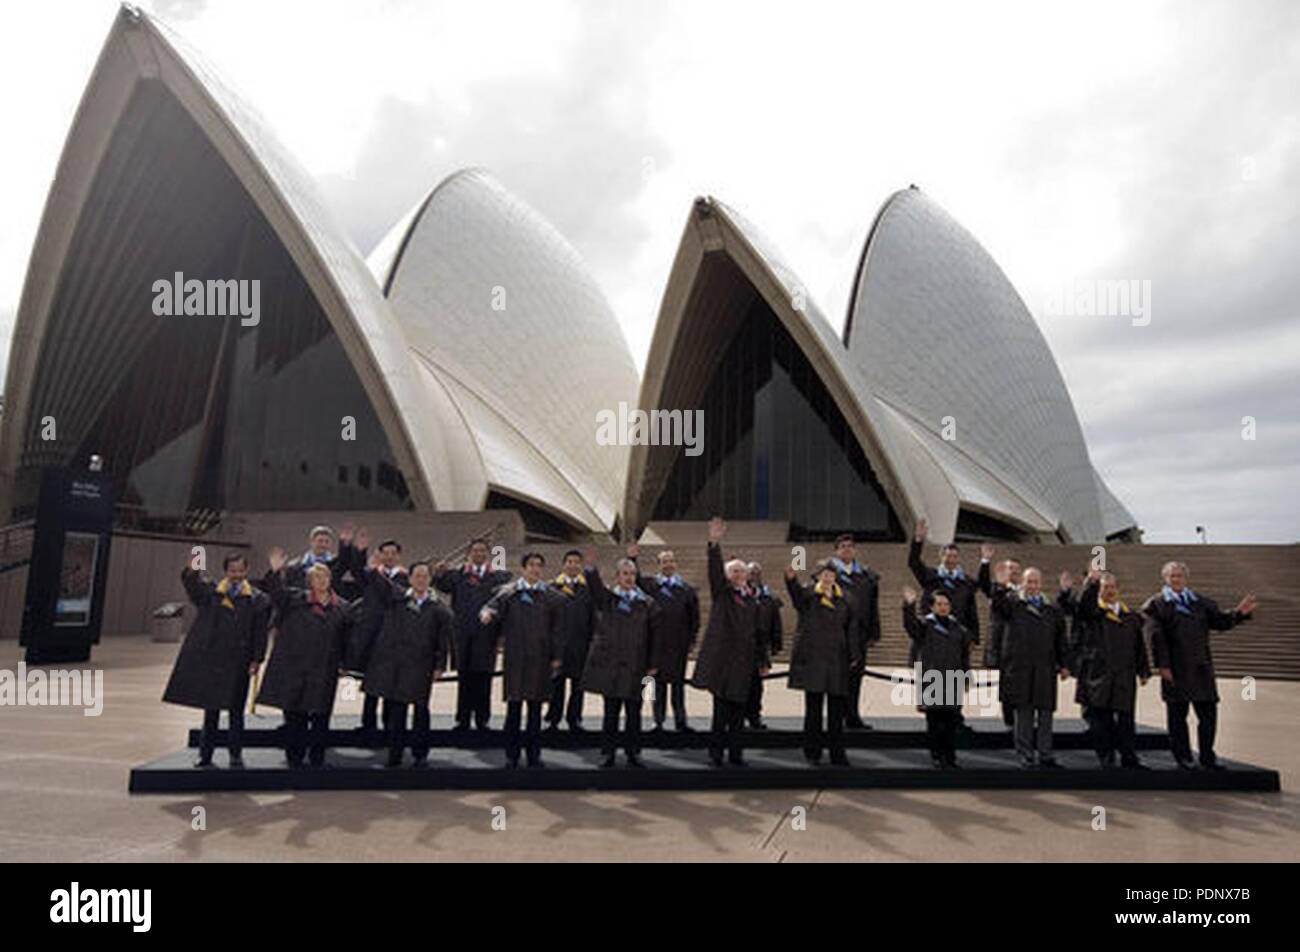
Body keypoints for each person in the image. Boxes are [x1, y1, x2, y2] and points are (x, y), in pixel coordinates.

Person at [1142, 561, 1256, 770]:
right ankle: (1183, 757)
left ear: (1186, 578)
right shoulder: (1156, 605)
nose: (1176, 579)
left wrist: (1239, 614)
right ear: (1165, 579)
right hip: (1175, 668)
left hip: (1201, 667)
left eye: (1179, 576)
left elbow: (1221, 621)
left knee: (1208, 714)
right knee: (1178, 717)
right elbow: (1155, 637)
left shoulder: (1200, 603)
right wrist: (1162, 666)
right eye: (1172, 576)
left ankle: (1207, 757)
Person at [162, 552, 271, 768]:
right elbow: (192, 586)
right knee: (210, 713)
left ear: (246, 571)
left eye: (240, 570)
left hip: (239, 663)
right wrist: (192, 571)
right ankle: (205, 755)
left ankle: (235, 755)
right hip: (213, 663)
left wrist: (257, 659)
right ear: (226, 571)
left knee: (236, 713)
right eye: (232, 571)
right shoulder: (210, 593)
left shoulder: (259, 599)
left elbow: (260, 633)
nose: (236, 575)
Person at [257, 551, 358, 768]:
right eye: (316, 577)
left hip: (324, 670)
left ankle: (317, 758)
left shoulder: (343, 607)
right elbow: (275, 592)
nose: (321, 581)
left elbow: (347, 640)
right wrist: (275, 572)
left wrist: (344, 665)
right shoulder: (294, 599)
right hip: (296, 668)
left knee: (321, 716)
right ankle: (295, 757)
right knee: (295, 715)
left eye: (325, 577)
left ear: (331, 580)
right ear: (309, 581)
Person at [692, 517, 767, 767]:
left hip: (744, 664)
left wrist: (762, 660)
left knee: (738, 715)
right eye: (734, 571)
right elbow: (714, 572)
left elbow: (758, 633)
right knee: (720, 713)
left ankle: (736, 755)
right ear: (728, 576)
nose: (739, 574)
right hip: (724, 664)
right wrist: (714, 543)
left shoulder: (754, 600)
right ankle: (716, 754)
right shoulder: (723, 594)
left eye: (742, 571)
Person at [362, 559, 452, 768]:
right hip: (398, 666)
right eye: (417, 576)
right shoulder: (397, 599)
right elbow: (379, 582)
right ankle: (395, 755)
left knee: (421, 712)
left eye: (425, 576)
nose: (421, 580)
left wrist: (440, 666)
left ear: (430, 580)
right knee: (397, 713)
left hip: (422, 667)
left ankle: (420, 754)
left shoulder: (439, 609)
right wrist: (371, 565)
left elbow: (443, 641)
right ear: (410, 579)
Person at [480, 553, 563, 768]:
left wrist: (556, 657)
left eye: (539, 565)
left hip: (540, 660)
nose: (535, 569)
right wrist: (487, 613)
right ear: (523, 568)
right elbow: (491, 607)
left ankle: (534, 755)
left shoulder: (552, 597)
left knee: (535, 711)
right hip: (516, 660)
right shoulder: (510, 593)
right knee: (514, 710)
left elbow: (557, 631)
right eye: (531, 565)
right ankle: (512, 755)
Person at [1066, 568, 1151, 769]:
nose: (1110, 591)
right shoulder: (1093, 614)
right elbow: (1083, 606)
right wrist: (1091, 583)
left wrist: (1143, 669)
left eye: (1113, 587)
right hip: (1098, 674)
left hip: (1124, 674)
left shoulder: (1129, 616)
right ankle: (1107, 757)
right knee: (1100, 719)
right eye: (1105, 587)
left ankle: (1129, 757)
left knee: (1126, 719)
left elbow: (1138, 645)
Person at [581, 552, 660, 768]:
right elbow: (595, 589)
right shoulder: (609, 599)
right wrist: (590, 569)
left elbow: (655, 636)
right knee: (611, 713)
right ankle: (609, 753)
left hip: (638, 668)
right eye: (625, 574)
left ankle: (633, 753)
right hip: (612, 666)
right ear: (617, 577)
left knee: (635, 712)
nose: (629, 578)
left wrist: (652, 664)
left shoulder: (647, 603)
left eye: (632, 574)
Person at [990, 564, 1070, 769]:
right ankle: (1025, 753)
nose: (1032, 586)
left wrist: (1064, 664)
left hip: (1045, 669)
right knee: (1023, 714)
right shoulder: (1012, 604)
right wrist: (999, 586)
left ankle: (1045, 754)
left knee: (1045, 713)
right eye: (1029, 582)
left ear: (1041, 584)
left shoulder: (1051, 609)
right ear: (1022, 583)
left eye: (1036, 582)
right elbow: (998, 606)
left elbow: (1061, 638)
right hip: (1021, 669)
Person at [434, 538, 513, 731]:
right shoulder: (458, 576)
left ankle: (482, 719)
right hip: (462, 635)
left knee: (484, 678)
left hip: (487, 636)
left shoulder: (497, 577)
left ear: (488, 554)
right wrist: (438, 573)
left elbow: (503, 605)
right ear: (469, 553)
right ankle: (463, 719)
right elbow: (441, 585)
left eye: (482, 551)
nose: (479, 554)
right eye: (475, 551)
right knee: (465, 678)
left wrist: (500, 633)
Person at [784, 560, 857, 766]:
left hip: (837, 661)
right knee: (813, 712)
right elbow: (796, 596)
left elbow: (851, 628)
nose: (827, 577)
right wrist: (791, 580)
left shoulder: (846, 599)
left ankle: (837, 754)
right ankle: (812, 753)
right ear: (817, 577)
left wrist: (853, 654)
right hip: (814, 660)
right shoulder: (808, 596)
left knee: (836, 713)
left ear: (836, 577)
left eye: (831, 574)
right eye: (824, 574)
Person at [628, 542, 700, 732]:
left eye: (671, 561)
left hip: (678, 645)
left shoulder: (686, 589)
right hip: (655, 646)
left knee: (677, 686)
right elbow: (634, 581)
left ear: (675, 564)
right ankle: (657, 720)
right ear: (658, 564)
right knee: (654, 685)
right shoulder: (651, 585)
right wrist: (632, 558)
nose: (668, 564)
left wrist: (691, 639)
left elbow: (695, 618)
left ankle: (680, 721)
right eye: (664, 561)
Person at [903, 587, 975, 768]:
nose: (943, 607)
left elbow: (964, 657)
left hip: (953, 679)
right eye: (939, 604)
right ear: (932, 607)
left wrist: (966, 677)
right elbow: (910, 626)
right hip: (932, 679)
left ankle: (950, 757)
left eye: (946, 604)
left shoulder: (959, 629)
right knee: (934, 722)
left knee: (951, 722)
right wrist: (909, 606)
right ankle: (936, 756)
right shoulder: (925, 626)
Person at [348, 534, 409, 734]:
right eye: (386, 553)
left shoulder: (406, 578)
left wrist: (376, 573)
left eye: (393, 553)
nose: (389, 556)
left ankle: (389, 724)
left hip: (394, 637)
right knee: (371, 682)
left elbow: (393, 593)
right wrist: (360, 551)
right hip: (372, 636)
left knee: (391, 682)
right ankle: (368, 724)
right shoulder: (371, 573)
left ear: (399, 556)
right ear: (380, 555)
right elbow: (356, 571)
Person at [828, 533, 880, 729]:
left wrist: (874, 632)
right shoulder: (826, 575)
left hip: (859, 634)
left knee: (856, 677)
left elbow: (873, 606)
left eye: (850, 546)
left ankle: (852, 715)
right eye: (842, 546)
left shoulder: (867, 577)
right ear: (836, 550)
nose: (847, 549)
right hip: (836, 634)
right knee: (837, 678)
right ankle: (837, 718)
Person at [547, 549, 595, 732]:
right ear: (563, 564)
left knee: (578, 687)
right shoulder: (552, 587)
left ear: (581, 566)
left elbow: (592, 618)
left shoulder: (587, 589)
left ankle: (574, 719)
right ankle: (553, 719)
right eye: (569, 562)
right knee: (556, 686)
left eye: (576, 562)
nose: (573, 565)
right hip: (558, 647)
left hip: (580, 646)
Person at [977, 544, 1022, 728]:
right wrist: (986, 562)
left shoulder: (1026, 592)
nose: (1012, 572)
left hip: (1024, 646)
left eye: (1016, 570)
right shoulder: (997, 589)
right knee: (1008, 686)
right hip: (1004, 645)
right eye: (1009, 568)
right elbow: (984, 585)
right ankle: (1010, 721)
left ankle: (1024, 721)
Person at [746, 562, 784, 730]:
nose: (754, 575)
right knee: (738, 688)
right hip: (741, 649)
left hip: (759, 650)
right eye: (751, 572)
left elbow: (776, 623)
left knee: (756, 688)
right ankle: (738, 718)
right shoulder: (738, 595)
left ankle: (754, 717)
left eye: (757, 572)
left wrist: (775, 645)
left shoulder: (768, 598)